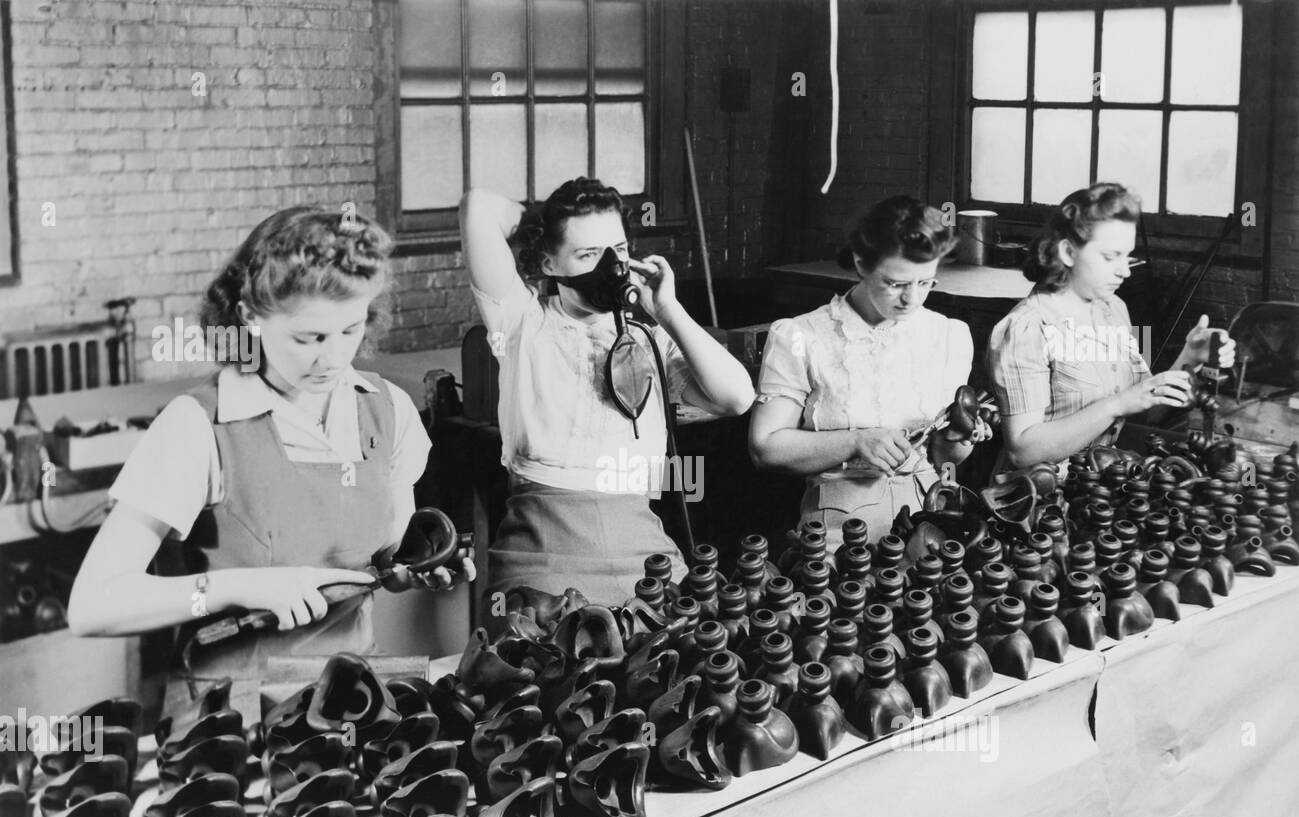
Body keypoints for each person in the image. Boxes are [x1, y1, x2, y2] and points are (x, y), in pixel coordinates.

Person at [68, 206, 469, 713]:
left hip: (351, 700)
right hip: (230, 715)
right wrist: (242, 586)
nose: (334, 358)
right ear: (249, 317)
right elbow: (93, 605)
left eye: (351, 329)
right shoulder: (200, 426)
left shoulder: (386, 410)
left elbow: (386, 557)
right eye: (309, 338)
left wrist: (414, 568)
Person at [458, 178, 754, 611]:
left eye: (617, 250)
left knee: (693, 648)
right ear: (549, 262)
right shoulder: (522, 322)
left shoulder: (648, 338)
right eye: (587, 254)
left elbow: (737, 397)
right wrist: (543, 223)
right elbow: (478, 205)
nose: (610, 266)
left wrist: (667, 310)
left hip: (640, 538)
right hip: (543, 547)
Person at [749, 196, 990, 549]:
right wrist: (856, 441)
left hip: (930, 516)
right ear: (861, 264)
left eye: (925, 283)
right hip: (838, 528)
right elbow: (765, 448)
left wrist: (958, 437)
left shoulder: (948, 335)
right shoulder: (801, 336)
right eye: (895, 283)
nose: (912, 299)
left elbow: (944, 459)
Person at [987, 182, 1236, 472]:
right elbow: (1023, 451)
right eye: (1110, 256)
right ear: (1068, 252)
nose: (1125, 270)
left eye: (1127, 255)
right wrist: (1116, 404)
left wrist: (1189, 357)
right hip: (1036, 496)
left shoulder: (1115, 309)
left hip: (1102, 481)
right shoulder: (1025, 328)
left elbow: (1145, 408)